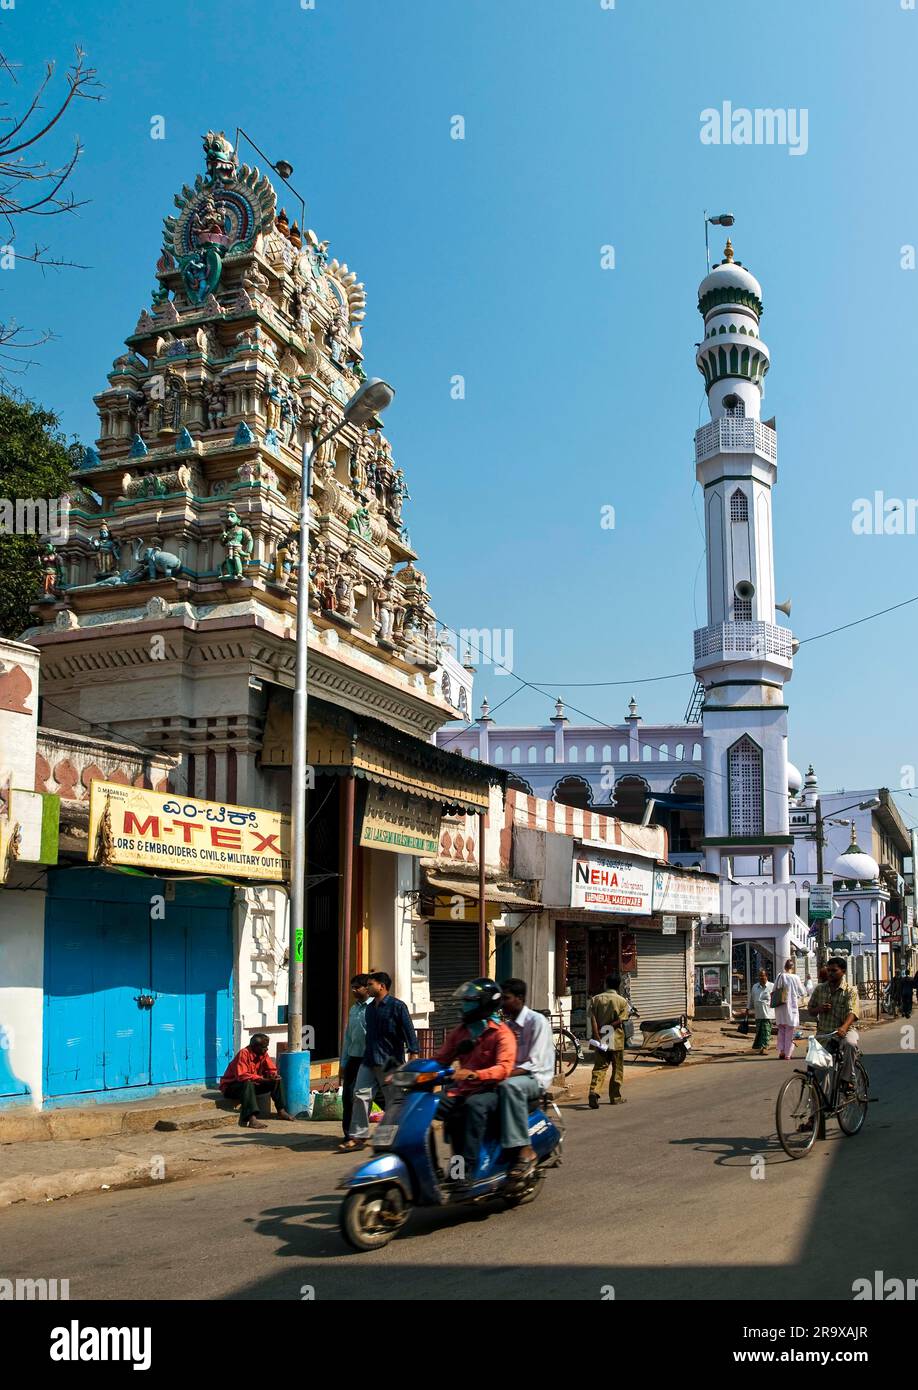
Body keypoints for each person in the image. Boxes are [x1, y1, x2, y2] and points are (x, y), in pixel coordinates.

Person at [434, 978, 516, 1182]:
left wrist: (475, 1074)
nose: (464, 1005)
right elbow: (440, 1059)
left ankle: (466, 1170)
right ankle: (430, 1167)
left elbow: (504, 1068)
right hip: (462, 1089)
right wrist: (409, 1072)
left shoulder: (502, 1034)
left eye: (470, 1001)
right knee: (426, 1105)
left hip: (490, 1091)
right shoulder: (460, 1031)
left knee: (473, 1106)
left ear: (484, 1004)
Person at [339, 971, 419, 1152]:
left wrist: (413, 1055)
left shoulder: (397, 1006)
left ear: (381, 986)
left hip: (390, 1061)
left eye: (370, 984)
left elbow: (409, 1031)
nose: (367, 988)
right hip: (368, 1059)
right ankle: (358, 1137)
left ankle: (394, 1136)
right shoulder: (369, 1009)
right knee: (360, 1095)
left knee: (394, 1100)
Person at [498, 978, 555, 1182]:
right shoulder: (506, 1026)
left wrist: (502, 1074)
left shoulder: (537, 1021)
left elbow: (534, 1063)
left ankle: (525, 1149)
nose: (502, 1003)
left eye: (506, 998)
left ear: (520, 998)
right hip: (512, 1075)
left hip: (534, 1078)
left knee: (508, 1086)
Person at [806, 956, 860, 1092]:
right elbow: (811, 1010)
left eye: (834, 971)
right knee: (818, 1075)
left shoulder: (850, 991)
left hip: (845, 1031)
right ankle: (819, 1110)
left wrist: (843, 1027)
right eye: (828, 970)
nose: (830, 973)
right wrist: (820, 1009)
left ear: (843, 971)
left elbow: (852, 1013)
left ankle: (846, 1080)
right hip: (824, 1033)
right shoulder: (820, 989)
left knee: (850, 1044)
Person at [220, 1033, 293, 1129]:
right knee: (247, 1083)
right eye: (263, 1047)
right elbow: (242, 1076)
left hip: (252, 1084)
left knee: (276, 1080)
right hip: (232, 1088)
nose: (266, 1049)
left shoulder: (263, 1053)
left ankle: (281, 1111)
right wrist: (262, 1079)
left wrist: (272, 1076)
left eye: (266, 1047)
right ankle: (252, 1118)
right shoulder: (244, 1053)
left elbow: (271, 1069)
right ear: (255, 1047)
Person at [587, 973, 630, 1108]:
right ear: (618, 985)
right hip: (615, 1038)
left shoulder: (595, 999)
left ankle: (594, 1092)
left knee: (600, 1067)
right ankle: (615, 1097)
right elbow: (621, 1020)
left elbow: (592, 1018)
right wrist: (609, 1027)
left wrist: (597, 1033)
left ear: (606, 984)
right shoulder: (622, 1001)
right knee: (617, 1068)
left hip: (601, 1039)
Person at [338, 974, 371, 1141]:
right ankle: (350, 1134)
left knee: (379, 1098)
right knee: (349, 1097)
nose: (353, 990)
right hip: (354, 1059)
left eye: (357, 987)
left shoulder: (375, 1008)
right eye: (352, 987)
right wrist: (343, 1063)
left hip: (371, 1061)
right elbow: (348, 1037)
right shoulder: (354, 1009)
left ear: (367, 988)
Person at [773, 958, 807, 1059]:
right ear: (793, 967)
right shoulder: (795, 977)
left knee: (781, 1031)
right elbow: (802, 991)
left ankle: (782, 1051)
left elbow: (774, 990)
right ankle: (788, 1054)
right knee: (790, 1031)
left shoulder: (779, 976)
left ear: (784, 967)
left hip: (780, 1007)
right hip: (791, 1008)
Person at [747, 968, 775, 1054]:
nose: (761, 978)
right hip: (758, 1013)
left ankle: (765, 1047)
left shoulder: (772, 986)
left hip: (768, 1014)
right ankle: (760, 1047)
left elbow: (775, 1000)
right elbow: (752, 999)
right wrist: (748, 1008)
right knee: (759, 1031)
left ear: (766, 976)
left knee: (766, 1031)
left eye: (762, 976)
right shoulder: (755, 986)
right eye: (759, 976)